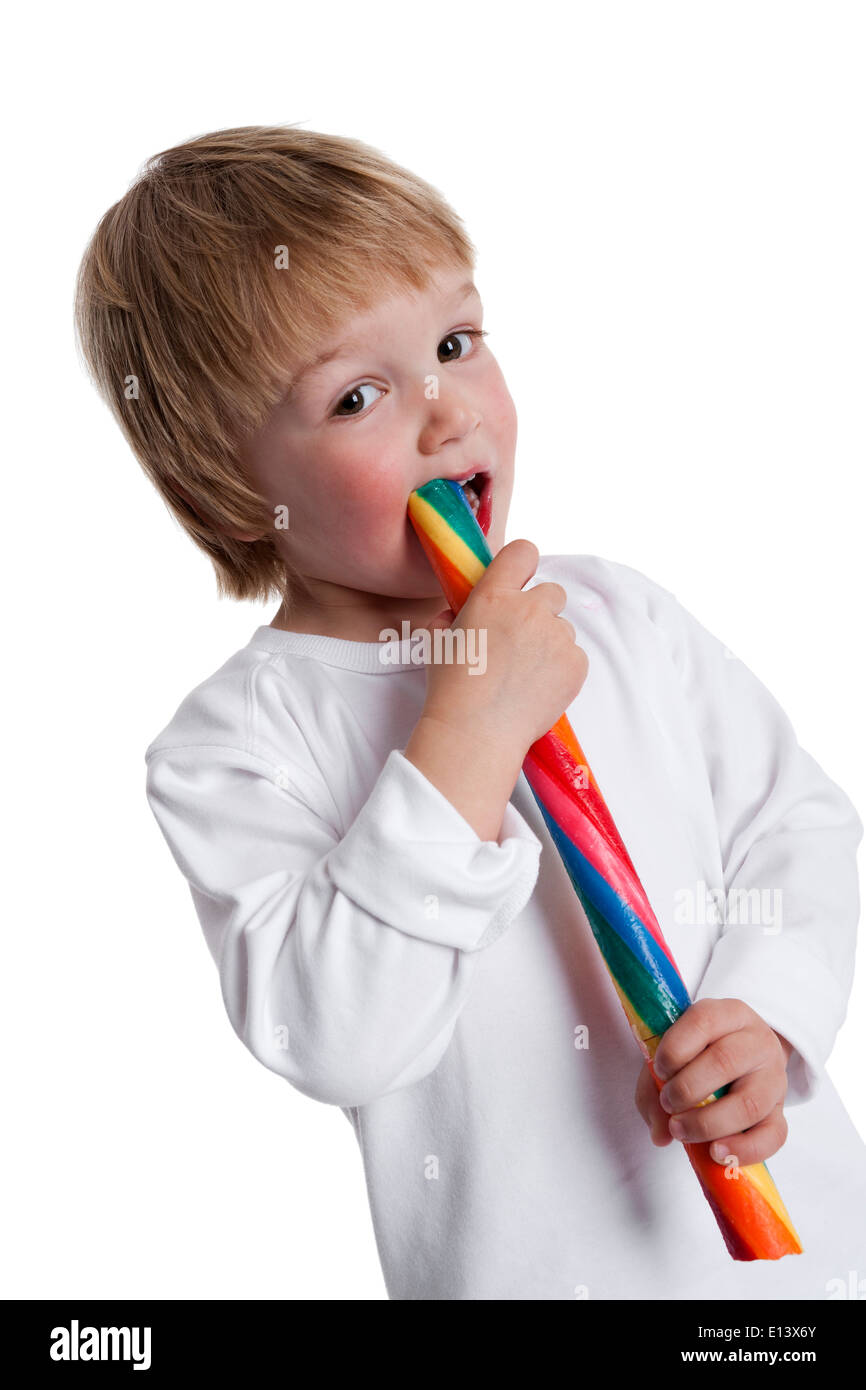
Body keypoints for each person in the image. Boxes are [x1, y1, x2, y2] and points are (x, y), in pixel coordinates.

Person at [74, 124, 866, 1299]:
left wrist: (768, 1010)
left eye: (454, 341)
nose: (447, 415)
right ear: (230, 489)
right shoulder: (234, 746)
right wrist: (470, 732)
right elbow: (337, 1036)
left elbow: (796, 829)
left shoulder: (617, 618)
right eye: (356, 395)